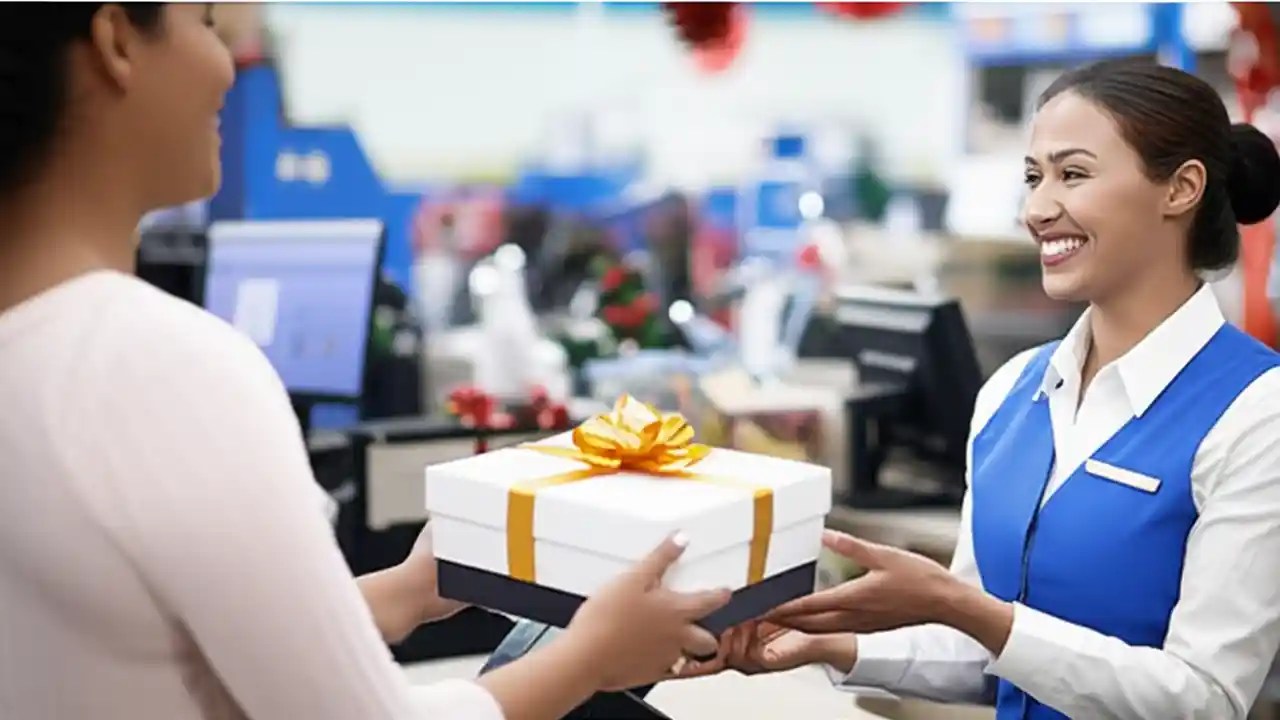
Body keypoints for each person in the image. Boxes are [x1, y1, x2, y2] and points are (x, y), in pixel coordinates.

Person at [0, 4, 730, 719]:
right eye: (207, 24)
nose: (229, 68)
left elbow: (149, 645)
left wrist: (410, 590)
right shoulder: (162, 366)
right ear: (117, 40)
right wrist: (593, 657)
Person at [677, 59, 1280, 720]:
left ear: (1181, 188)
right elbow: (987, 653)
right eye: (1033, 176)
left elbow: (1204, 699)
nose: (1039, 209)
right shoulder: (1011, 393)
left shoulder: (1256, 411)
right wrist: (827, 646)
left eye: (1073, 174)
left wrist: (960, 605)